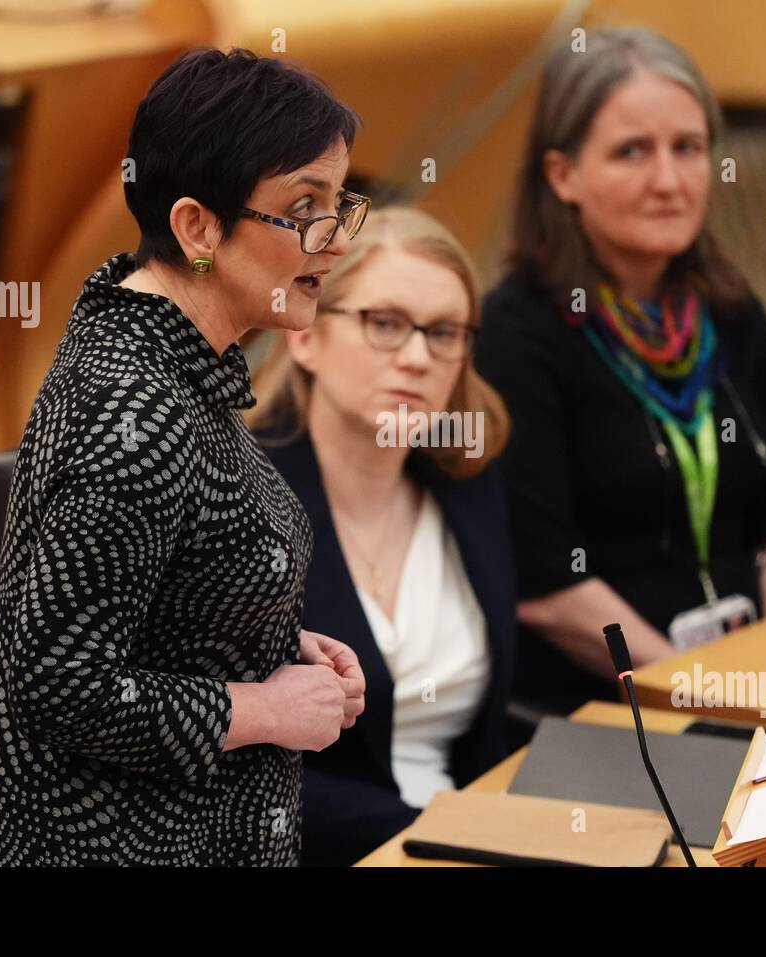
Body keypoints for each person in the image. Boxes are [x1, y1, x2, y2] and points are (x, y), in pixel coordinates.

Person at [0, 47, 371, 866]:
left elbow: (154, 593)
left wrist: (267, 639)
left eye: (340, 203)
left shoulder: (173, 362)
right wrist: (263, 707)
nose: (336, 241)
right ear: (197, 226)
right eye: (304, 207)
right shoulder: (133, 410)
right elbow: (62, 684)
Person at [475, 26, 766, 714]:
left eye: (687, 149)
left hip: (748, 678)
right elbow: (546, 588)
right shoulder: (519, 331)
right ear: (562, 175)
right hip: (607, 702)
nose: (669, 181)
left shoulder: (730, 311)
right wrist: (702, 688)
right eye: (632, 152)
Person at [248, 207, 516, 865]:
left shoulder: (468, 483)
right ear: (305, 335)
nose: (420, 357)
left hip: (467, 836)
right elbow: (226, 770)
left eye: (444, 332)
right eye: (386, 324)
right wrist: (433, 832)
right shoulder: (238, 501)